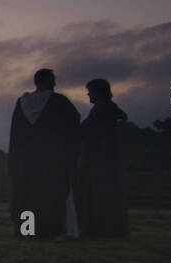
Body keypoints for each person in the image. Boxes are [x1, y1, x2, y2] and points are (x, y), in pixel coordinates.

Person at [8, 69, 79, 238]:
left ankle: (27, 230)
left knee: (27, 196)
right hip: (51, 159)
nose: (55, 84)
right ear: (49, 82)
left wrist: (15, 160)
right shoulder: (59, 101)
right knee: (51, 195)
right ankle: (51, 230)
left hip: (26, 160)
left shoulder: (22, 103)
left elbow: (15, 133)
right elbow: (73, 123)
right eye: (53, 80)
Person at [75, 78, 129, 238]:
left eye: (90, 91)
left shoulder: (101, 110)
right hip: (106, 161)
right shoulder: (106, 109)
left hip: (99, 162)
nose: (88, 94)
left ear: (98, 92)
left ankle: (98, 229)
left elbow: (84, 130)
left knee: (96, 194)